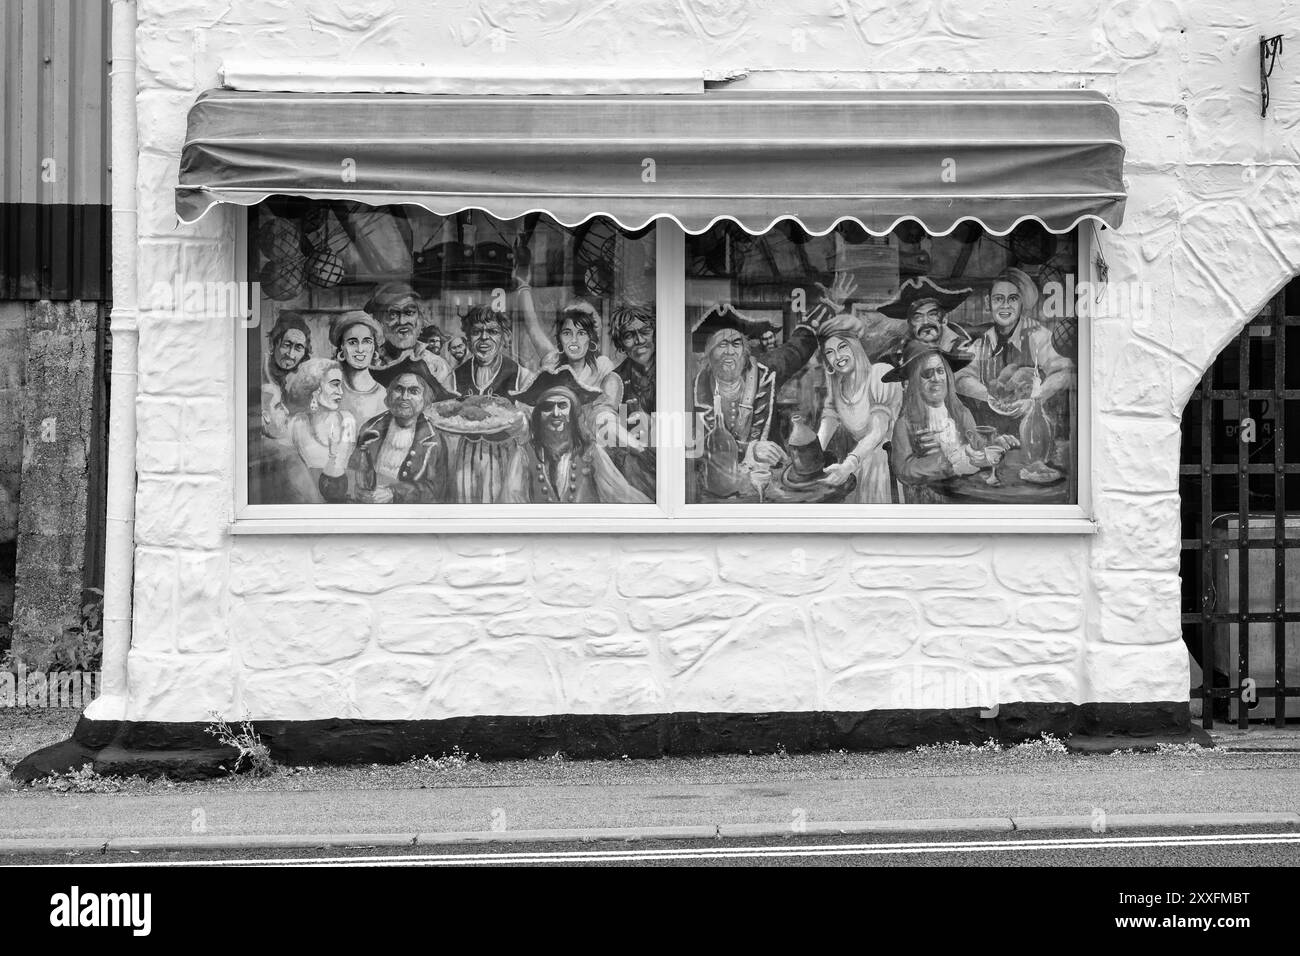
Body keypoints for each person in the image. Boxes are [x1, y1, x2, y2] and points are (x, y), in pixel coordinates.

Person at [887, 341, 1015, 504]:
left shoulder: (962, 413)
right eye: (927, 373)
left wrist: (994, 444)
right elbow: (904, 470)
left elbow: (977, 447)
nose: (936, 378)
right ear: (914, 381)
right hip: (929, 499)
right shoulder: (905, 424)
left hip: (967, 495)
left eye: (940, 371)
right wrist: (947, 461)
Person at [504, 369, 651, 504]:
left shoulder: (591, 452)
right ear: (538, 416)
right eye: (547, 407)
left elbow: (620, 493)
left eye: (562, 406)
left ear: (573, 415)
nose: (556, 413)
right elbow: (512, 499)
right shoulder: (524, 454)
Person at [954, 267, 1075, 430]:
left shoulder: (1037, 335)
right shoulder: (983, 342)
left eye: (1012, 299)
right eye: (998, 299)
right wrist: (989, 397)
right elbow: (960, 379)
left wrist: (1034, 399)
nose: (1005, 306)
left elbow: (1063, 373)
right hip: (994, 430)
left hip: (1035, 427)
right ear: (987, 303)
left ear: (1021, 304)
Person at [322, 358, 453, 504]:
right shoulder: (371, 428)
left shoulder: (434, 440)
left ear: (426, 398)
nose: (404, 397)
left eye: (413, 391)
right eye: (398, 389)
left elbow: (436, 492)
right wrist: (356, 489)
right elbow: (353, 469)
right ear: (389, 394)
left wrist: (394, 493)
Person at [814, 314, 903, 503]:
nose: (837, 357)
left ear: (855, 346)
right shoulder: (837, 387)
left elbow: (877, 432)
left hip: (884, 468)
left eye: (842, 347)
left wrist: (848, 465)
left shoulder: (881, 374)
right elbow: (827, 424)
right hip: (857, 466)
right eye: (829, 352)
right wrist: (810, 457)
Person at [281, 358, 356, 503]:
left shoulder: (348, 421)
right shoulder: (298, 424)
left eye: (341, 386)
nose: (340, 392)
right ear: (315, 388)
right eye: (334, 385)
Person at [363, 282, 454, 384]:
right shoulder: (368, 362)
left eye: (409, 312)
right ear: (379, 321)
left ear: (419, 319)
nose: (402, 321)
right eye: (393, 314)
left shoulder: (436, 365)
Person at [878, 276, 974, 353]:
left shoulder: (961, 349)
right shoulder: (899, 351)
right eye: (918, 317)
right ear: (910, 323)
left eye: (932, 315)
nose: (925, 322)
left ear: (944, 318)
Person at [329, 311, 388, 429]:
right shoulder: (330, 390)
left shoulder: (384, 396)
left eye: (367, 341)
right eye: (352, 342)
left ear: (374, 349)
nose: (360, 349)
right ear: (341, 348)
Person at [261, 313, 312, 439]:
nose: (291, 354)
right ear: (273, 344)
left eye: (298, 348)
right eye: (287, 345)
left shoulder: (304, 377)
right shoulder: (261, 370)